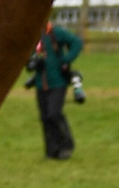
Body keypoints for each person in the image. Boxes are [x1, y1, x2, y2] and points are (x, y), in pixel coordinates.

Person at [28, 20, 83, 160]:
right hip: (41, 83)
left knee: (54, 113)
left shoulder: (56, 33)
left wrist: (66, 60)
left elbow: (77, 43)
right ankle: (52, 151)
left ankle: (66, 146)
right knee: (45, 117)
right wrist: (32, 63)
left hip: (58, 82)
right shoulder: (33, 35)